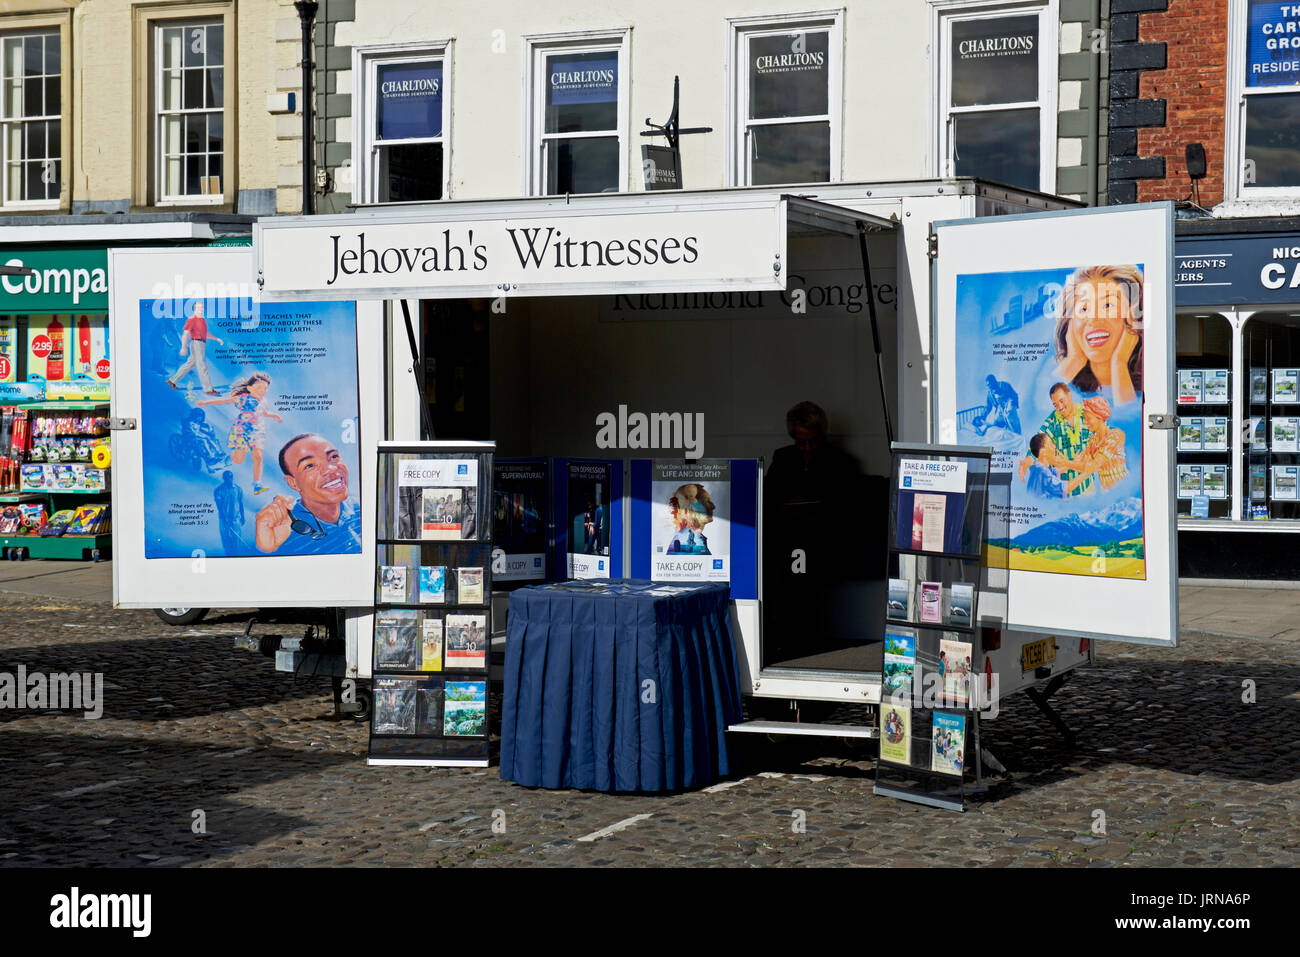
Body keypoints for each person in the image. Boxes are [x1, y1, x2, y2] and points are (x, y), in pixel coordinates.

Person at [254, 433, 362, 555]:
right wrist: (268, 550)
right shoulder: (282, 531)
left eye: (333, 457)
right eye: (310, 465)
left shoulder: (362, 509)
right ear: (293, 483)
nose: (330, 469)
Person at [1054, 264, 1144, 405]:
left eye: (1108, 306)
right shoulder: (1071, 389)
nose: (1093, 319)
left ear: (1135, 318)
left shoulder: (1148, 386)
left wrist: (1119, 363)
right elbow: (1036, 410)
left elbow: (1131, 421)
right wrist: (1074, 360)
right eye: (1084, 308)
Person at [197, 372, 282, 495]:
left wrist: (274, 415)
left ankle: (257, 484)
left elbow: (263, 412)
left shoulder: (264, 401)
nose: (263, 391)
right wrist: (205, 403)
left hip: (257, 431)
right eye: (259, 388)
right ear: (249, 388)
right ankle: (218, 464)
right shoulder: (243, 398)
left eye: (265, 388)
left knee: (258, 456)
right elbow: (224, 401)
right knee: (238, 459)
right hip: (241, 430)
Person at [1018, 382, 1094, 497]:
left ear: (1069, 395)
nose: (1060, 407)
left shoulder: (1087, 413)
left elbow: (1101, 433)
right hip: (1063, 493)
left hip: (1087, 486)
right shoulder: (1052, 422)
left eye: (1061, 401)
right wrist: (1027, 461)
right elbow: (1038, 443)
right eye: (1055, 404)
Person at [1063, 395, 1128, 495]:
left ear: (1099, 417)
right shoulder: (1093, 440)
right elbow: (1083, 465)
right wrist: (1058, 467)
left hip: (1123, 490)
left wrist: (1065, 463)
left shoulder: (1114, 436)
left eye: (1088, 419)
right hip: (1108, 494)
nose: (1086, 422)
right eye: (1085, 419)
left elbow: (1093, 466)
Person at [167, 300, 224, 395]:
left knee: (190, 363)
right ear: (194, 309)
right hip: (196, 344)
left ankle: (172, 381)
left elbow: (204, 333)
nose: (201, 309)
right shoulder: (191, 320)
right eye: (198, 308)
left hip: (201, 344)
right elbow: (185, 334)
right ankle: (208, 389)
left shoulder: (202, 320)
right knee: (202, 366)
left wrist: (216, 338)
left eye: (202, 308)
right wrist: (183, 347)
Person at [666, 483, 715, 554]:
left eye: (692, 492)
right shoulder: (683, 506)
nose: (690, 494)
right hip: (684, 532)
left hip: (694, 532)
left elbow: (706, 518)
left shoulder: (699, 506)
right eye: (688, 492)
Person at [1023, 433, 1066, 499]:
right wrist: (1084, 474)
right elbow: (1063, 488)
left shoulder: (1038, 467)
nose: (1054, 446)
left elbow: (1058, 470)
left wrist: (1071, 463)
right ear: (1043, 452)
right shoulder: (1041, 470)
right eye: (1051, 444)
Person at [212, 470, 245, 555]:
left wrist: (243, 517)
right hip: (224, 519)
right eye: (227, 477)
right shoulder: (218, 490)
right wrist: (225, 519)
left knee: (237, 541)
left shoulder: (238, 489)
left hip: (236, 519)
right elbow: (219, 506)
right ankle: (228, 556)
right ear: (224, 478)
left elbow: (241, 503)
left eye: (230, 477)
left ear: (232, 477)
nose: (229, 479)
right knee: (226, 540)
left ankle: (237, 556)